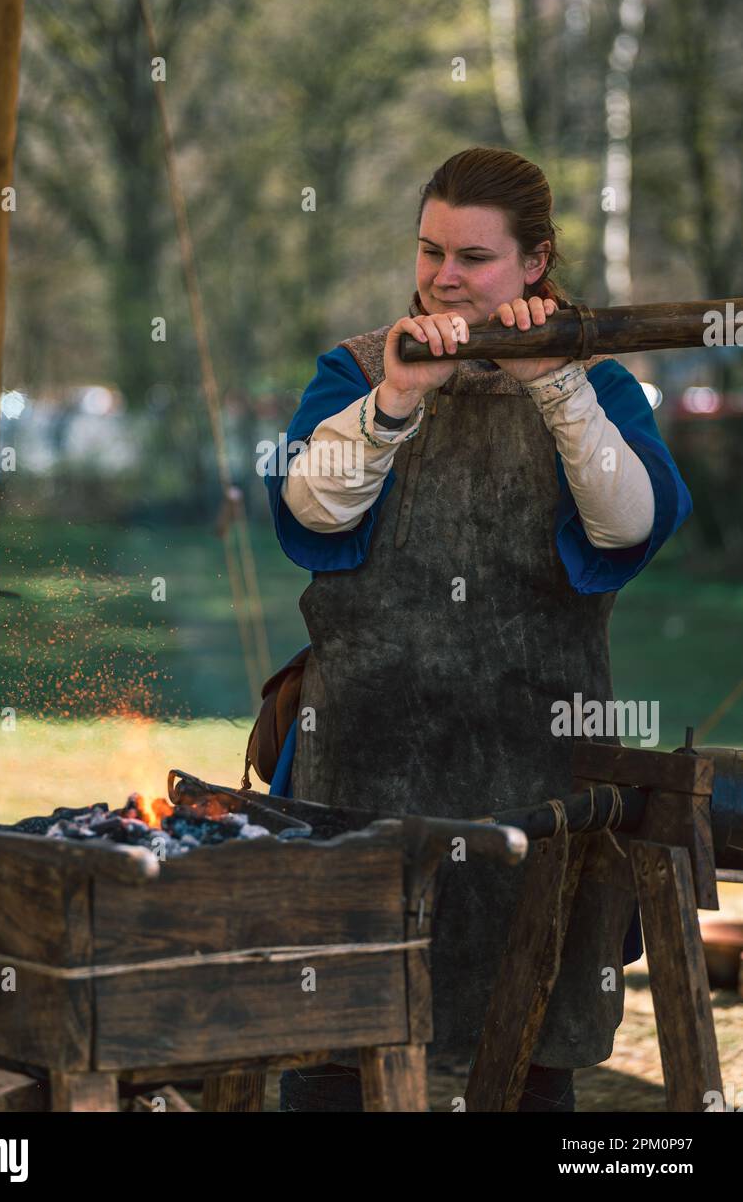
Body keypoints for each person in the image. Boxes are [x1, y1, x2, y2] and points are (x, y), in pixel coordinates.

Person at [264, 146, 693, 1113]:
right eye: (430, 251)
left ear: (535, 264)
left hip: (538, 782)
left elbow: (628, 522)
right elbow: (311, 509)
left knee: (531, 1045)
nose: (443, 277)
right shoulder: (358, 367)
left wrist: (553, 382)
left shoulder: (600, 386)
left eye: (473, 258)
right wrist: (398, 398)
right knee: (335, 1050)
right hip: (363, 770)